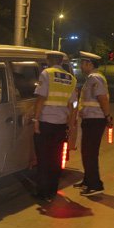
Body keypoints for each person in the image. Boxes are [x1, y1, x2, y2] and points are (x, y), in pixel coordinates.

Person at [32, 52, 77, 202]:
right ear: (61, 61)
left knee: (43, 158)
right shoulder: (71, 78)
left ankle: (43, 192)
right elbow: (73, 105)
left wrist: (36, 119)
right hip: (61, 124)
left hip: (46, 122)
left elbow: (41, 98)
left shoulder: (47, 74)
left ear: (49, 60)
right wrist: (71, 124)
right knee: (56, 158)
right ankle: (52, 190)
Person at [75, 51, 111, 196]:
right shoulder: (92, 78)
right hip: (90, 119)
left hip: (95, 120)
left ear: (89, 64)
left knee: (90, 153)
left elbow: (102, 98)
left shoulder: (95, 78)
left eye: (82, 63)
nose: (81, 66)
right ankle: (88, 180)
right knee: (87, 152)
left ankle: (95, 185)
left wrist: (108, 116)